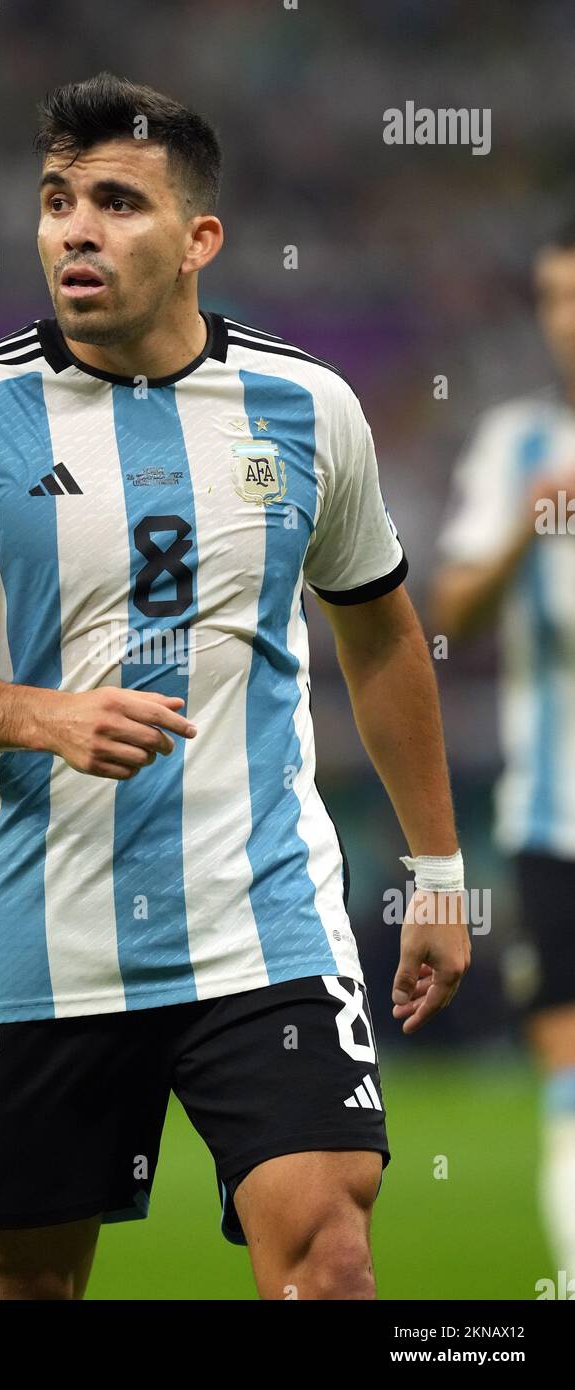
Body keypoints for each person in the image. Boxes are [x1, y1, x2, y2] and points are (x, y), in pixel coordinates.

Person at [0, 71, 468, 1300]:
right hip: (42, 936)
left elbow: (383, 635)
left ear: (197, 241)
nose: (75, 228)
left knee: (330, 1254)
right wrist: (39, 713)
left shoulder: (307, 408)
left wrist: (437, 876)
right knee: (22, 1285)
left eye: (117, 203)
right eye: (57, 199)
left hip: (259, 919)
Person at [431, 219, 575, 1283]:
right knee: (568, 1084)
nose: (566, 321)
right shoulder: (518, 444)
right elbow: (449, 613)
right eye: (552, 298)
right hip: (553, 817)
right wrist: (531, 523)